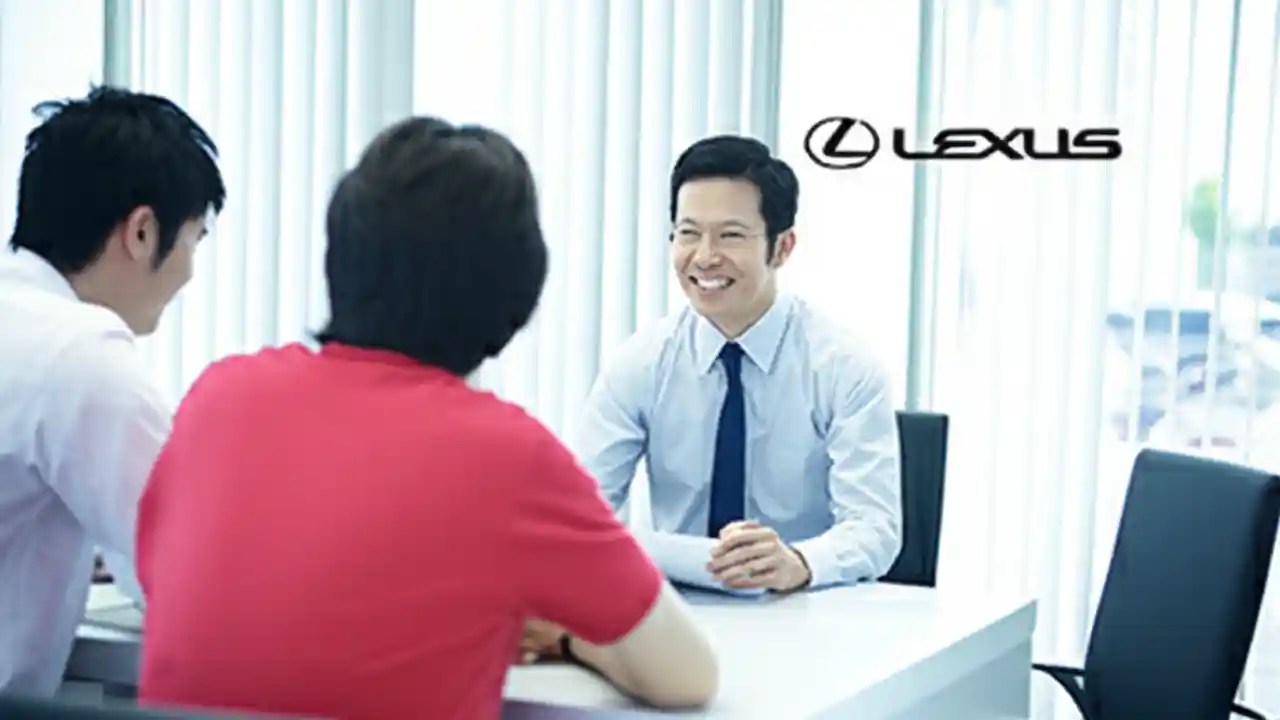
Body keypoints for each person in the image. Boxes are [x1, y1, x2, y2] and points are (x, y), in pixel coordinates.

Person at [134, 117, 718, 719]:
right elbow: (686, 674)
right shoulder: (504, 456)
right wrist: (566, 637)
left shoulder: (220, 397)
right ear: (518, 287)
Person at [572, 135, 902, 601]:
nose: (704, 257)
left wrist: (799, 563)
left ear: (782, 247)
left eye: (730, 235)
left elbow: (875, 528)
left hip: (807, 612)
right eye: (688, 233)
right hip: (677, 614)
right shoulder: (640, 363)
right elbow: (581, 511)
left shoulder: (844, 367)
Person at [0, 87, 225, 696]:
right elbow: (190, 569)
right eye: (195, 239)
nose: (189, 272)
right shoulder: (78, 354)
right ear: (143, 233)